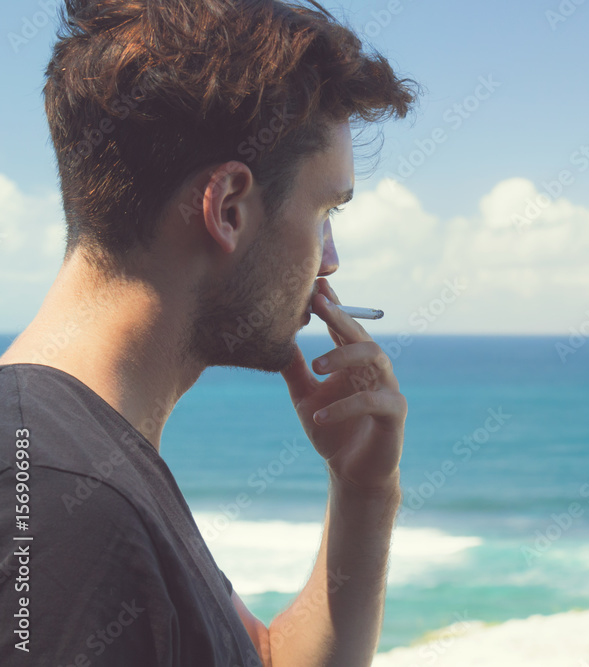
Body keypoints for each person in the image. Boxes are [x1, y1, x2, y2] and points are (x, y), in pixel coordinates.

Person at [0, 0, 417, 664]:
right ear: (227, 208)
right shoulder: (66, 507)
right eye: (325, 212)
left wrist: (364, 493)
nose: (330, 260)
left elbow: (267, 657)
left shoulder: (86, 457)